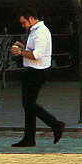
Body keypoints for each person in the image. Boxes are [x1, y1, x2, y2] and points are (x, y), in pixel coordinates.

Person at [10, 9, 65, 147]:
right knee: (28, 104)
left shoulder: (40, 32)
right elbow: (34, 51)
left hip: (37, 71)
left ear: (31, 19)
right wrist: (23, 48)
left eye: (24, 22)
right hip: (34, 70)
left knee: (28, 104)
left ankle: (55, 124)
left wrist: (20, 52)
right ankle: (29, 137)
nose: (23, 25)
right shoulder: (36, 31)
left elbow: (37, 55)